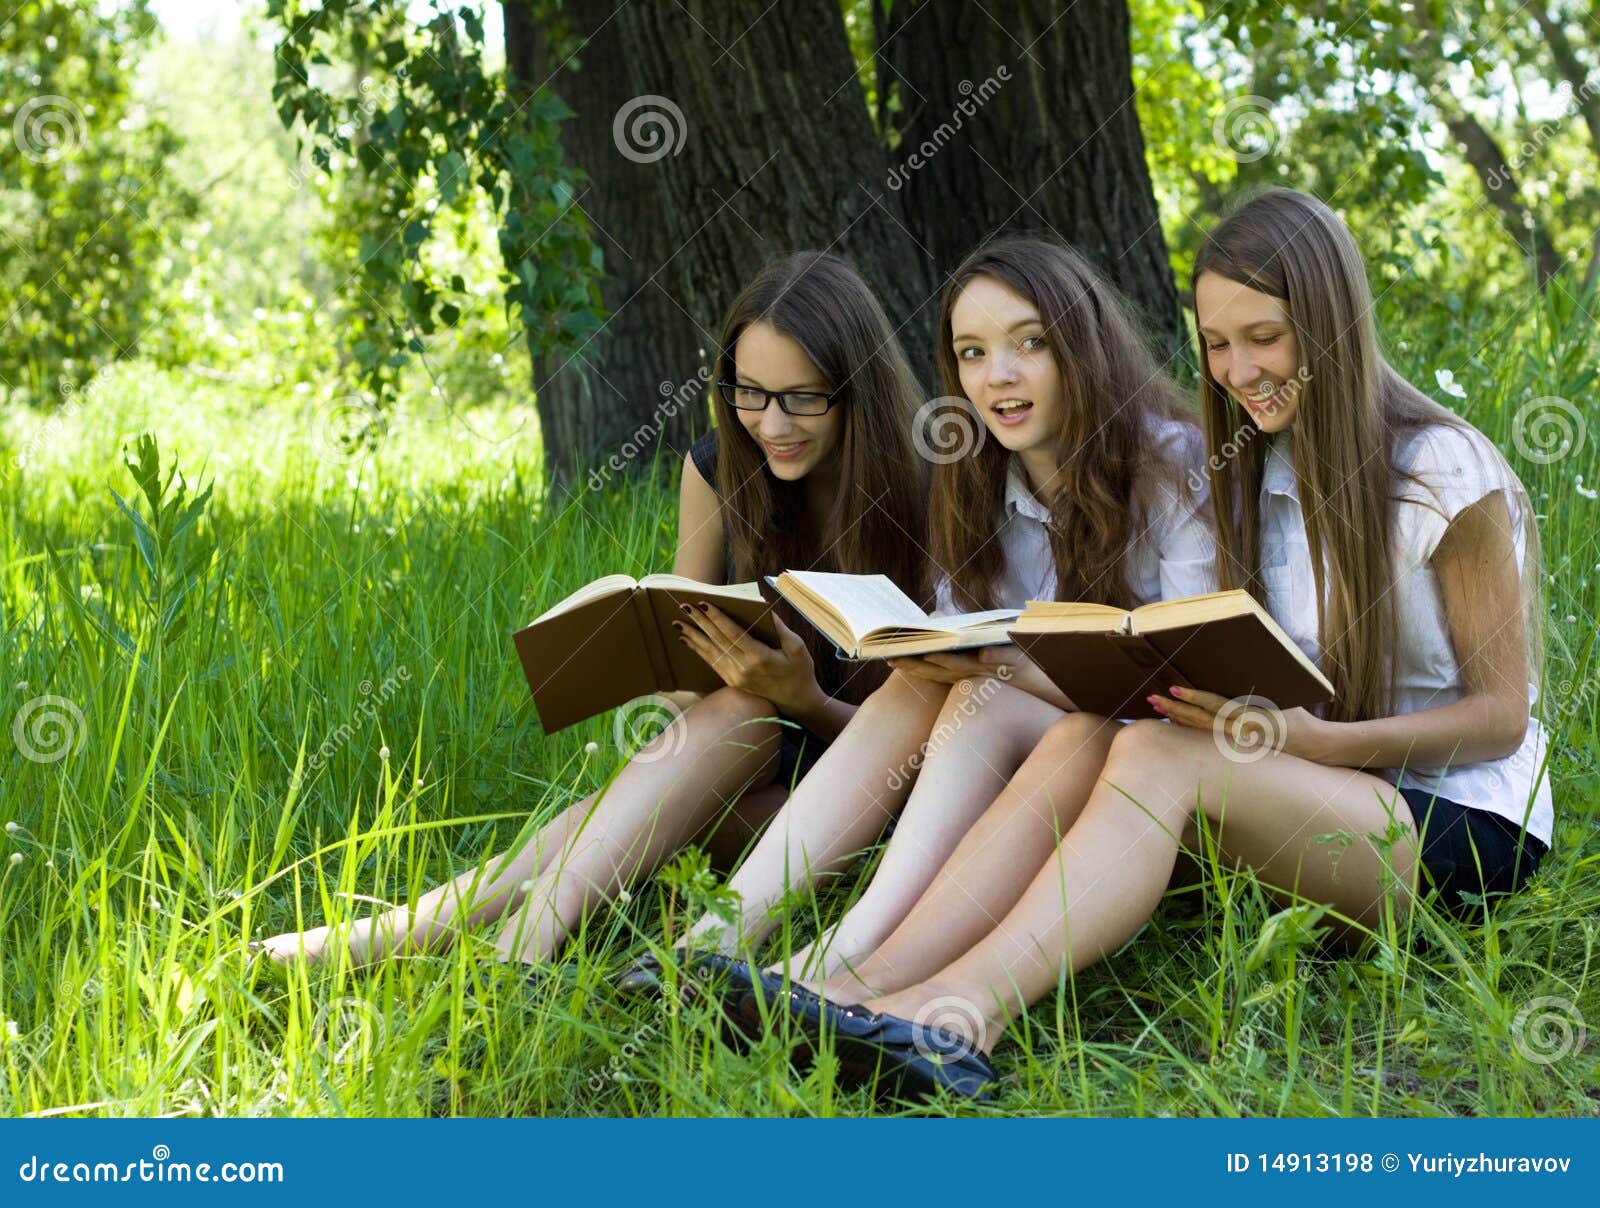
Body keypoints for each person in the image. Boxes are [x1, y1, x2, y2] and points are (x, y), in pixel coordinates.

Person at [757, 190, 1552, 1102]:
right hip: (1311, 794)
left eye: (1266, 336)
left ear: (1331, 320)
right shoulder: (1252, 468)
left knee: (1154, 753)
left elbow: (1499, 719)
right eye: (1216, 344)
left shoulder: (1441, 469)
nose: (1238, 369)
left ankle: (958, 1012)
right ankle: (855, 985)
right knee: (1081, 735)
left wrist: (1317, 743)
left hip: (1456, 822)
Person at [252, 251, 929, 977]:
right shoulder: (719, 468)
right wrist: (663, 707)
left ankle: (420, 928)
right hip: (751, 761)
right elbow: (683, 657)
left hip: (883, 792)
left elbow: (939, 750)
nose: (770, 423)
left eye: (802, 398)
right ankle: (519, 929)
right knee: (732, 717)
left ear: (856, 391)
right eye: (749, 393)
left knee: (653, 809)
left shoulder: (932, 487)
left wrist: (805, 699)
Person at [654, 237, 1214, 999]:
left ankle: (840, 960)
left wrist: (1007, 667)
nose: (999, 377)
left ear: (1084, 350)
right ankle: (716, 942)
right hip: (1013, 752)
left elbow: (1191, 684)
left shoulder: (1176, 466)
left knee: (981, 691)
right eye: (972, 353)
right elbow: (960, 636)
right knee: (927, 685)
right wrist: (940, 655)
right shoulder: (974, 474)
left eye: (1030, 344)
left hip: (1138, 779)